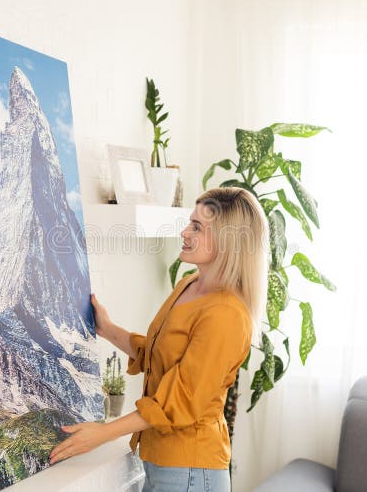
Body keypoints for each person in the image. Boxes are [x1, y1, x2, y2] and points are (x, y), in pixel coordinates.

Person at [49, 187, 269, 492]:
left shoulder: (226, 314)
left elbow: (178, 400)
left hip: (192, 469)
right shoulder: (189, 284)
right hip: (161, 460)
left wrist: (103, 433)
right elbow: (158, 355)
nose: (184, 232)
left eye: (196, 227)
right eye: (189, 222)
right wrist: (108, 329)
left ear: (227, 241)